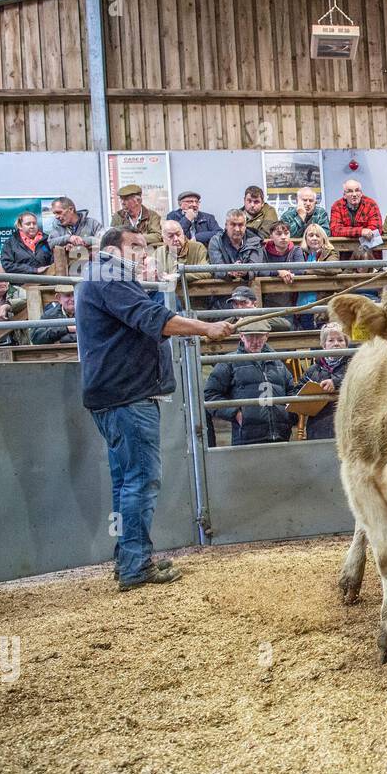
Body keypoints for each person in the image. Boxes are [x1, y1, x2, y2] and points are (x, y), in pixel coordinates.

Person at [77, 227, 234, 589]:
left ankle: (130, 558)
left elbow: (144, 316)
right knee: (140, 479)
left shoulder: (101, 276)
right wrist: (205, 329)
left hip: (114, 396)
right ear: (115, 248)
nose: (143, 255)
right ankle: (136, 565)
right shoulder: (110, 274)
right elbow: (152, 318)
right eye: (137, 247)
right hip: (127, 396)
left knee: (126, 479)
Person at [204, 319, 296, 446]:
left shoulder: (277, 363)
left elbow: (291, 390)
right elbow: (210, 395)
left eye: (259, 337)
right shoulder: (228, 363)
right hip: (247, 438)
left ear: (266, 336)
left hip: (281, 435)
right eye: (250, 337)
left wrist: (289, 414)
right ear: (241, 336)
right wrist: (236, 414)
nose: (255, 342)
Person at [296, 323, 349, 440]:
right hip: (318, 427)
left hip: (347, 427)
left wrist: (335, 382)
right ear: (323, 345)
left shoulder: (354, 366)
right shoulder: (313, 371)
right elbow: (296, 394)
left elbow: (357, 382)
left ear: (346, 344)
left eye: (340, 340)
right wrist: (310, 393)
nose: (336, 344)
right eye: (331, 340)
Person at [207, 209, 263, 306]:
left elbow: (255, 266)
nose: (237, 229)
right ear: (226, 225)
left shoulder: (255, 241)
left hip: (249, 294)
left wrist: (245, 271)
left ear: (245, 226)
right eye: (233, 224)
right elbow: (216, 267)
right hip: (222, 295)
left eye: (241, 225)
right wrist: (230, 271)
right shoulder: (216, 241)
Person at [293, 223, 340, 329]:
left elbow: (332, 268)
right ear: (306, 238)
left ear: (323, 238)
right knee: (306, 339)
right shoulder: (300, 253)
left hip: (321, 303)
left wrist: (306, 270)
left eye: (317, 236)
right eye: (311, 235)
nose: (314, 238)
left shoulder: (330, 253)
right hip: (302, 303)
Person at [258, 221, 302, 314]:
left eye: (286, 233)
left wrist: (287, 274)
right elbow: (260, 271)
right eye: (278, 234)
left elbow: (301, 269)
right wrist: (278, 272)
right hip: (268, 300)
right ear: (271, 236)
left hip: (291, 298)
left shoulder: (296, 250)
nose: (283, 237)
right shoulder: (263, 251)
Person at [47, 196, 102, 268]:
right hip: (67, 274)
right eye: (55, 213)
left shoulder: (92, 223)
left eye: (59, 212)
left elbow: (103, 240)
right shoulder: (57, 227)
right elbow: (50, 243)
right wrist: (68, 239)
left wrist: (81, 242)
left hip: (90, 270)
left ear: (71, 209)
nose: (56, 217)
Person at [153, 219, 210, 284]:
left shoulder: (198, 248)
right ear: (163, 239)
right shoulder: (159, 253)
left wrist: (179, 277)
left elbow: (207, 272)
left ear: (183, 233)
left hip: (194, 291)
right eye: (170, 236)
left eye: (178, 234)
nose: (176, 239)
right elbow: (150, 273)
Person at [329, 179, 382, 247]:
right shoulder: (337, 206)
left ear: (361, 193)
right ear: (344, 195)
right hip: (344, 250)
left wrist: (349, 232)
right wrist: (360, 231)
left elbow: (376, 229)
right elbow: (335, 230)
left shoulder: (371, 204)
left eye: (357, 190)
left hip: (369, 249)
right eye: (350, 191)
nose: (354, 194)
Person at [225, 285, 292, 332]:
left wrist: (251, 319)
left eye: (243, 303)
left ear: (255, 304)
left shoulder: (263, 316)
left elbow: (286, 325)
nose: (239, 307)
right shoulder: (231, 321)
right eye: (235, 304)